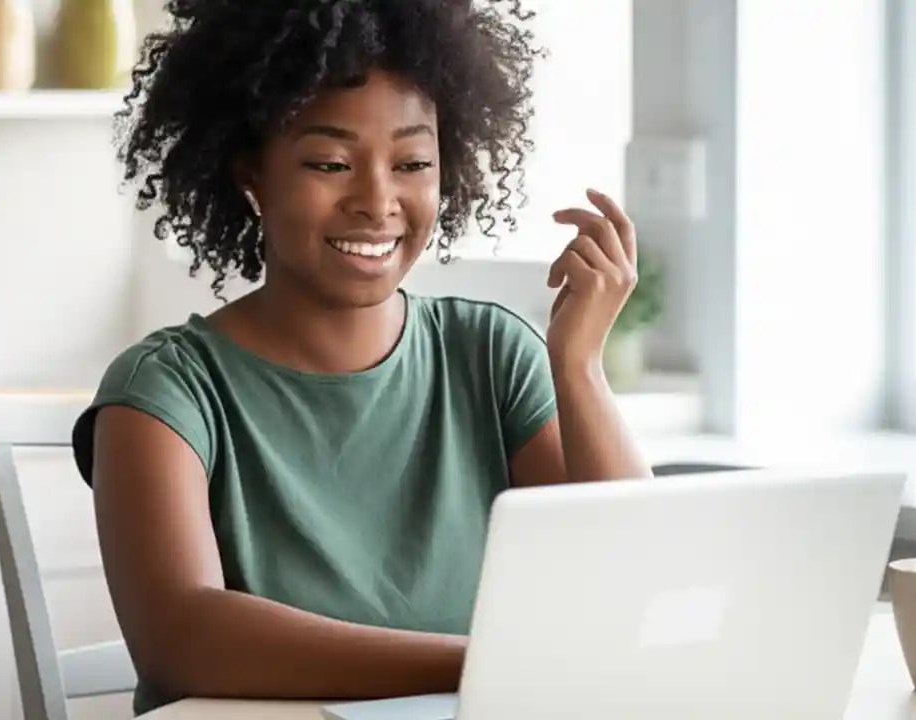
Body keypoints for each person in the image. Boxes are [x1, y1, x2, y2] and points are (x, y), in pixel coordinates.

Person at [70, 0, 651, 714]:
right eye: (330, 162)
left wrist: (580, 367)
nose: (377, 201)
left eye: (412, 162)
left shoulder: (491, 355)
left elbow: (633, 582)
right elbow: (182, 638)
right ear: (250, 171)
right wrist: (486, 663)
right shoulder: (166, 391)